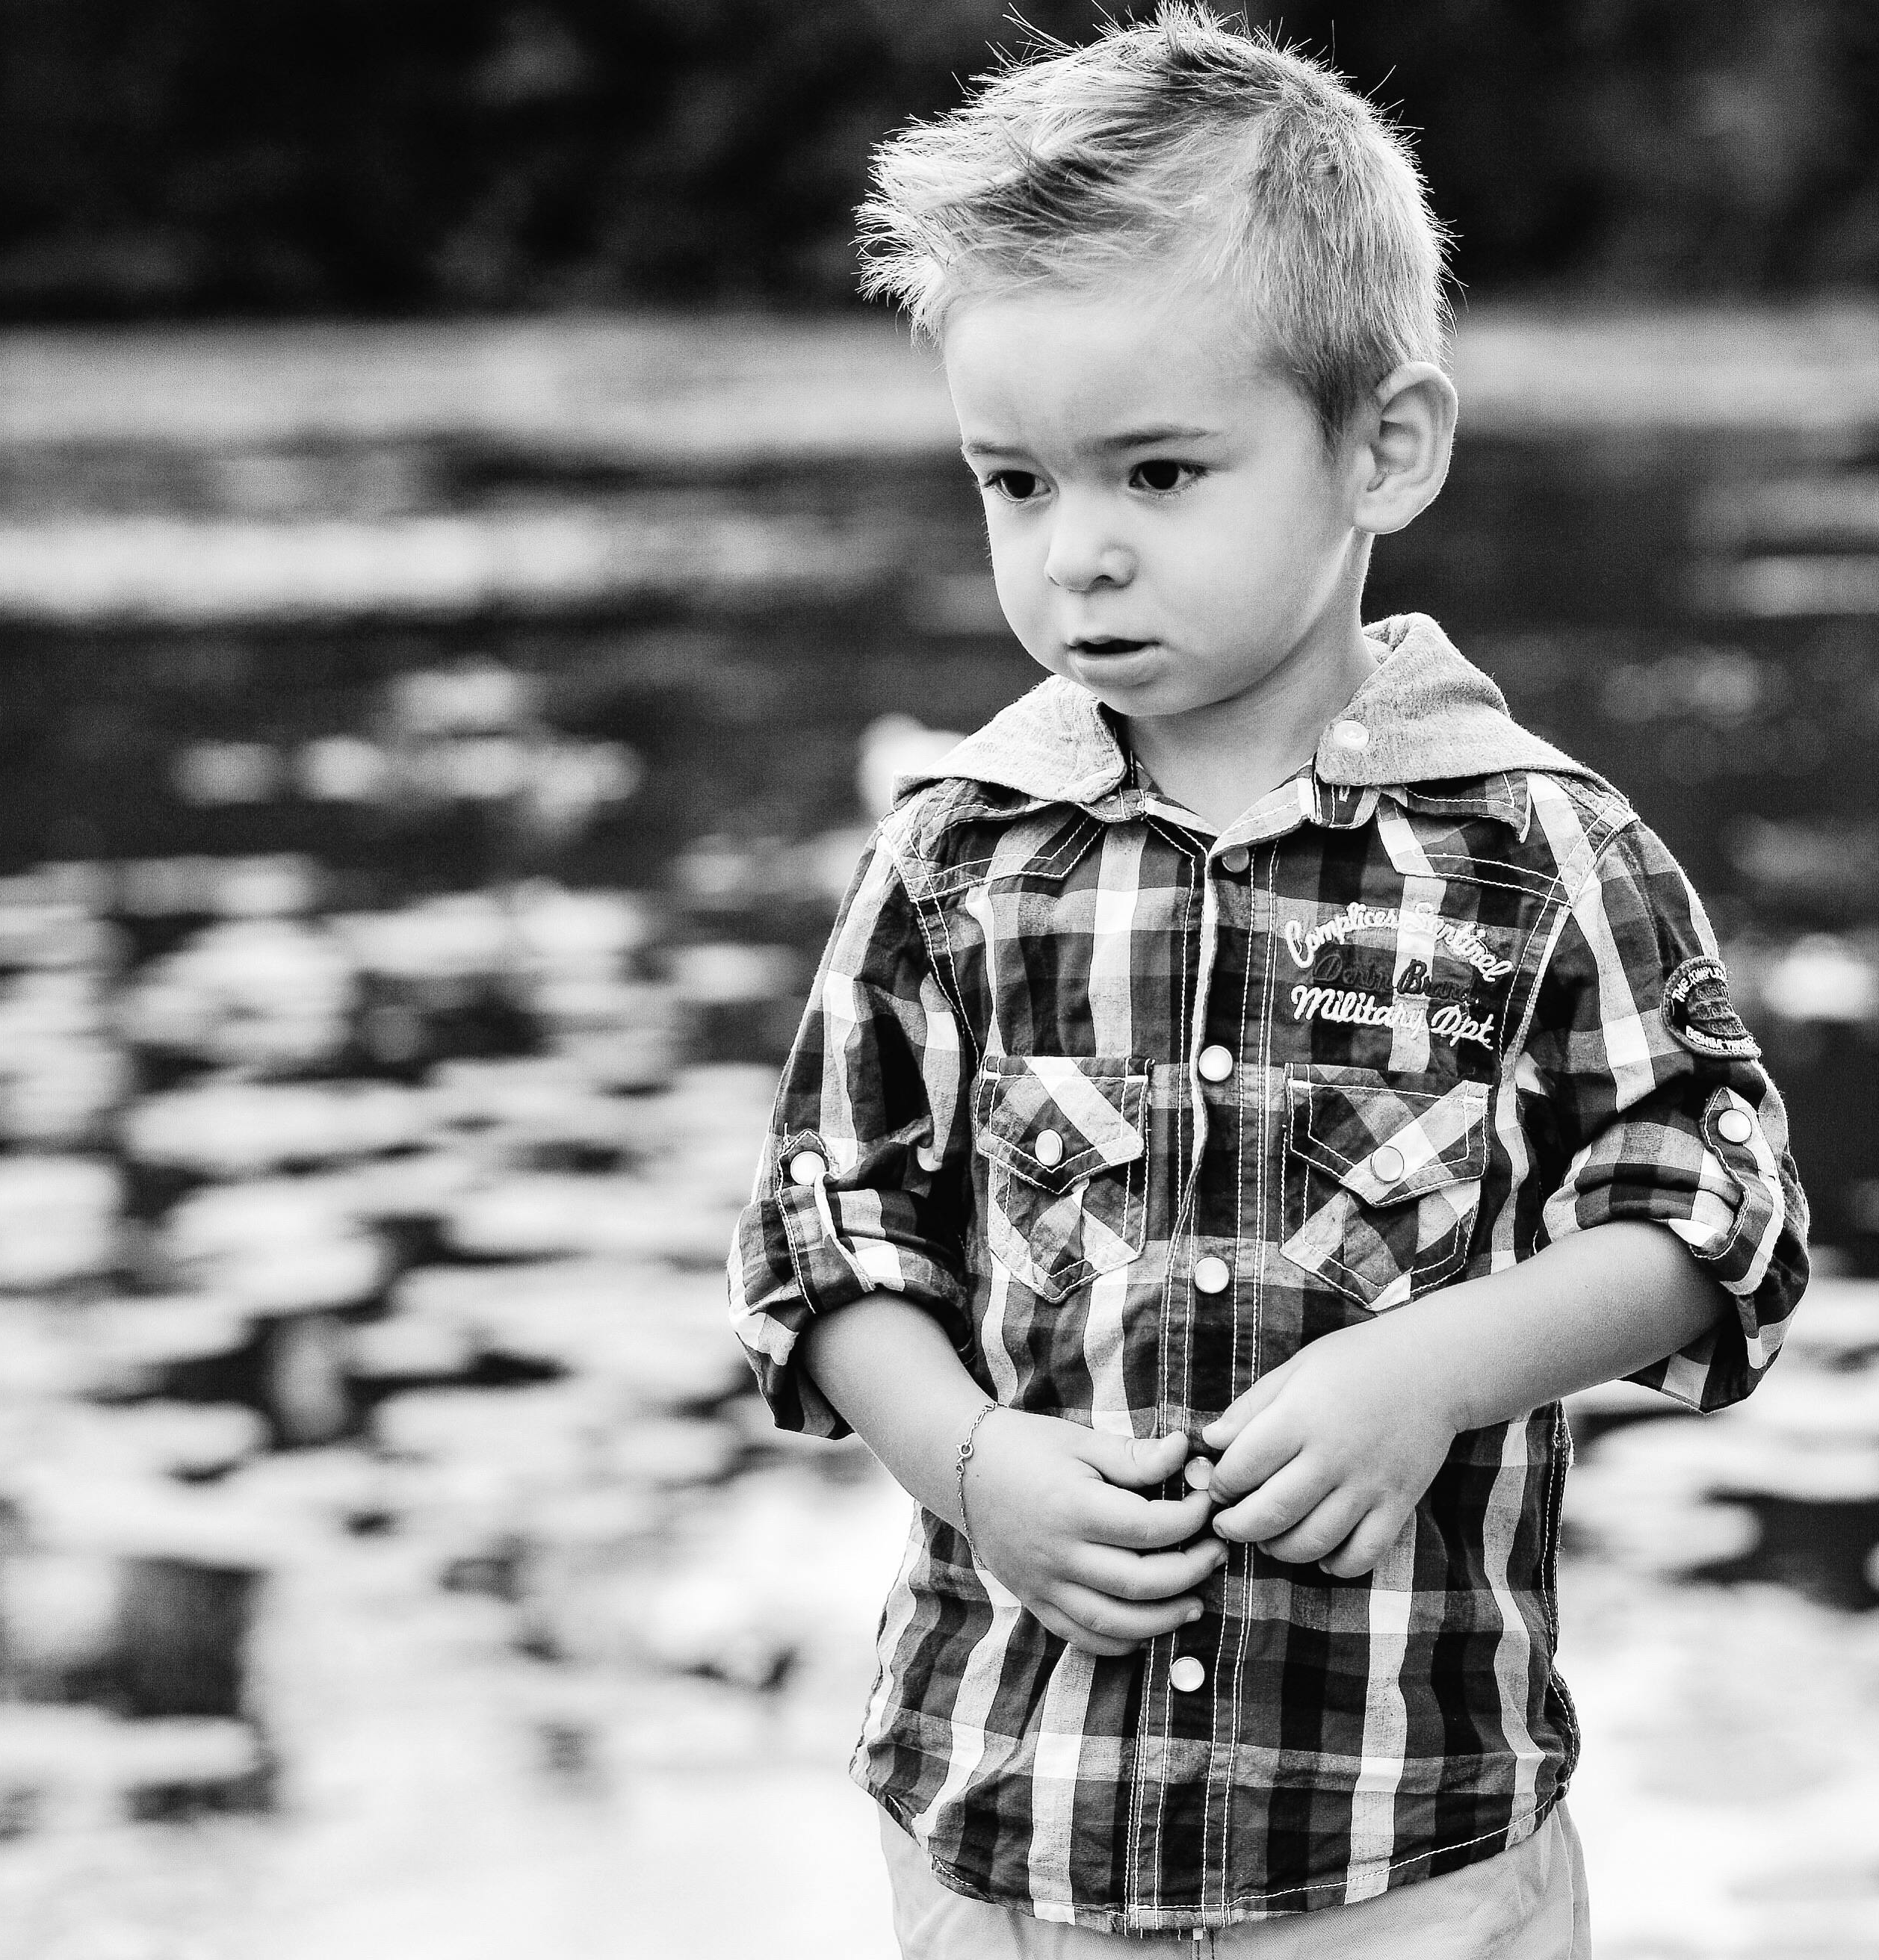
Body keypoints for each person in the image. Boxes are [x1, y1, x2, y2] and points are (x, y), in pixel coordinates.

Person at [727, 10, 1808, 1955]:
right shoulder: (954, 860)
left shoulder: (1532, 852)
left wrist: (1433, 1371)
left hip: (1406, 1839)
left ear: (1383, 447)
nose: (1082, 561)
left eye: (1157, 473)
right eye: (1018, 485)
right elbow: (827, 1249)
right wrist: (975, 1467)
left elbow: (1714, 1218)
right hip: (1012, 1822)